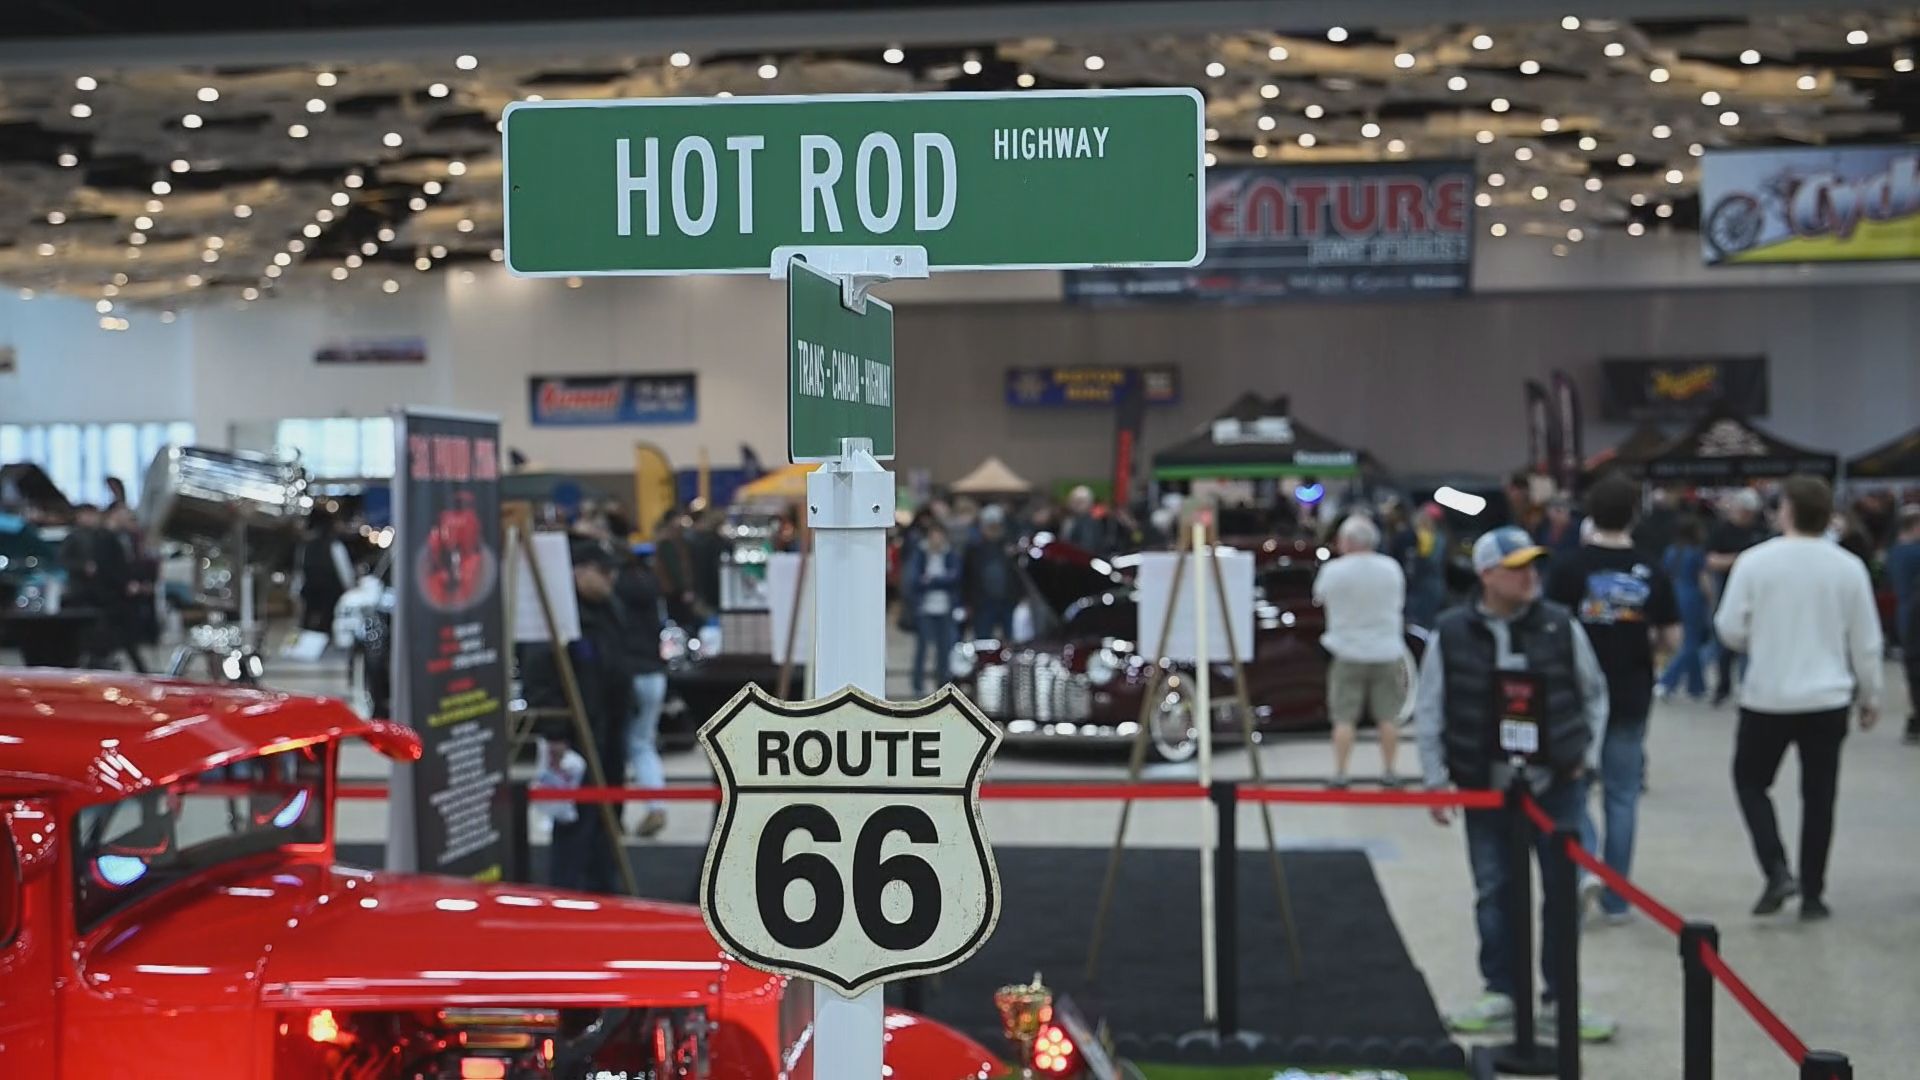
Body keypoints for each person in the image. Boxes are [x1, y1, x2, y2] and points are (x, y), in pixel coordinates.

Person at [1415, 526, 1614, 1042]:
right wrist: (1436, 780)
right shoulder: (1451, 632)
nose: (1530, 577)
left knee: (1560, 893)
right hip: (1486, 789)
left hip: (1556, 787)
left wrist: (1584, 759)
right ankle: (1501, 990)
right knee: (1494, 890)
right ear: (1487, 575)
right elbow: (1431, 707)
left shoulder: (1560, 625)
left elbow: (1594, 694)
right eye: (1517, 567)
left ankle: (1560, 998)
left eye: (1533, 565)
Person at [1715, 476, 1882, 921]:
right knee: (1819, 796)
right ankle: (1813, 892)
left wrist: (1760, 640)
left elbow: (1730, 628)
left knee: (1751, 782)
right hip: (1827, 698)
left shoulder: (1754, 562)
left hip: (1768, 695)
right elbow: (1866, 640)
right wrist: (1871, 693)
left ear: (1785, 511)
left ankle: (1775, 867)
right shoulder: (1848, 567)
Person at [1545, 477, 1679, 925]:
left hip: (1575, 696)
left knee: (1573, 790)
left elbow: (1551, 628)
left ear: (1589, 514)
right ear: (1635, 516)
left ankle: (1586, 867)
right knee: (1622, 796)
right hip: (1631, 689)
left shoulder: (1568, 567)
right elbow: (1672, 636)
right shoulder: (1652, 568)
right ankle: (1618, 898)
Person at [522, 538, 634, 893]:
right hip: (577, 734)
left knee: (606, 819)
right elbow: (540, 678)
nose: (610, 580)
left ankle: (603, 888)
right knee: (575, 823)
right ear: (579, 571)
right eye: (603, 572)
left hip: (610, 728)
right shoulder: (558, 618)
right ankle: (567, 891)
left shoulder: (609, 609)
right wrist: (555, 732)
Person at [1313, 515, 1408, 787]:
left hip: (1347, 653)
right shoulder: (1391, 568)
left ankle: (1341, 773)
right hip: (1387, 652)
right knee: (1388, 717)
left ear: (1346, 542)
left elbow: (1319, 597)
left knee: (1344, 718)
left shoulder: (1333, 570)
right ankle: (1390, 771)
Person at [615, 537, 671, 838]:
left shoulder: (615, 590)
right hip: (654, 672)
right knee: (643, 742)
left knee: (617, 747)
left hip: (627, 674)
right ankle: (656, 805)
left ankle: (614, 814)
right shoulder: (650, 584)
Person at [1706, 489, 1769, 707]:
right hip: (1726, 589)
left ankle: (1748, 685)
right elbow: (1711, 560)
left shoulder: (1761, 530)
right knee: (1724, 642)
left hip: (1758, 593)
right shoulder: (1721, 530)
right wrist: (1740, 560)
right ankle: (1722, 687)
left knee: (1752, 642)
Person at [1656, 516, 1713, 702]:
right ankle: (1667, 681)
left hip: (1674, 594)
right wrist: (1711, 599)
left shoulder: (1671, 551)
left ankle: (1696, 686)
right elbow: (1703, 579)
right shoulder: (1697, 552)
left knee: (1691, 643)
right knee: (1691, 643)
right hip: (1692, 596)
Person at [905, 522, 962, 697]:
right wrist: (939, 580)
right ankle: (917, 685)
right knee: (922, 649)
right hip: (925, 609)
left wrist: (931, 580)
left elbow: (955, 578)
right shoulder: (920, 554)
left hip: (945, 608)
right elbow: (914, 580)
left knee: (944, 648)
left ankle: (943, 685)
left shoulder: (950, 554)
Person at [961, 504, 1021, 640]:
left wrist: (1020, 597)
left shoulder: (1011, 546)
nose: (993, 530)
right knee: (983, 641)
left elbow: (1019, 574)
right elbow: (966, 577)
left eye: (996, 526)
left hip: (1008, 601)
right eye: (990, 526)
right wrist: (967, 602)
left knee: (1010, 641)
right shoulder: (973, 548)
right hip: (983, 603)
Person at [296, 509, 355, 636]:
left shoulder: (306, 547)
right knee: (328, 626)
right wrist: (351, 589)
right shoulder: (334, 545)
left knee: (309, 627)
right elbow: (345, 571)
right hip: (331, 594)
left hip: (311, 593)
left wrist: (297, 591)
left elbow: (300, 571)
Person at [1888, 505, 1920, 745]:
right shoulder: (1915, 553)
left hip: (1905, 617)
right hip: (1915, 617)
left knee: (1912, 671)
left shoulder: (1894, 553)